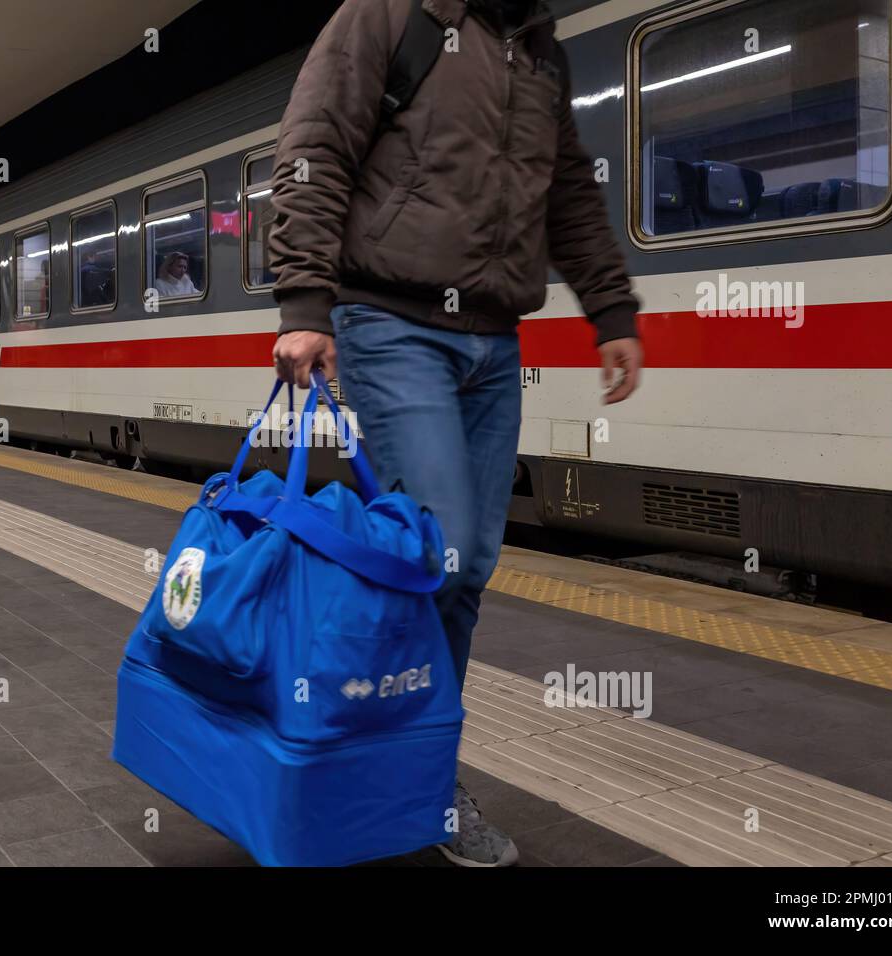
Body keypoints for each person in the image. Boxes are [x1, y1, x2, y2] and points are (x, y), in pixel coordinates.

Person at [268, 0, 643, 867]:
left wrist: (611, 306)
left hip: (491, 341)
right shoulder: (390, 15)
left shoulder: (541, 53)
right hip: (393, 324)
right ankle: (399, 772)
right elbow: (313, 149)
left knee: (465, 567)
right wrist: (304, 302)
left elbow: (569, 195)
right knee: (433, 553)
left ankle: (399, 761)